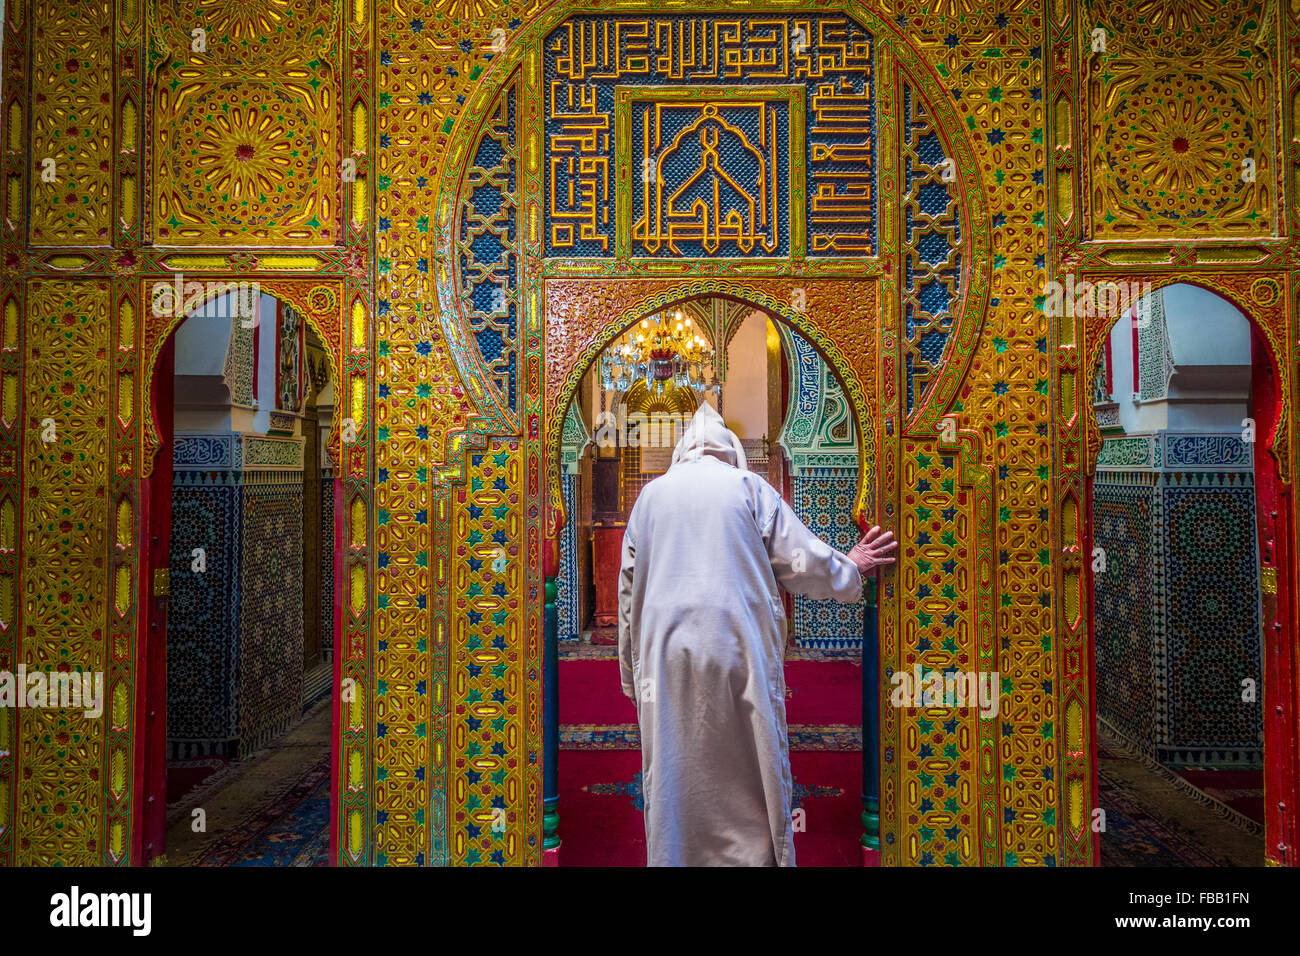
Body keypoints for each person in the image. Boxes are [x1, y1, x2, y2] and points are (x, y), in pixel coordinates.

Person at [617, 400, 897, 866]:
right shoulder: (747, 486)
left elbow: (628, 593)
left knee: (672, 766)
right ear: (729, 450)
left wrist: (631, 675)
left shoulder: (650, 497)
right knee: (754, 760)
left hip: (665, 654)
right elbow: (799, 558)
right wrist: (851, 568)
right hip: (738, 647)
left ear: (682, 451)